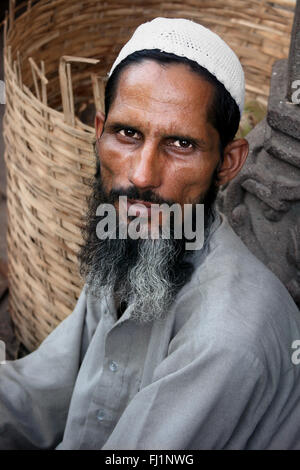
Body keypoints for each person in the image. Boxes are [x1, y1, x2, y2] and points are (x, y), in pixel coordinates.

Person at [1, 17, 300, 450]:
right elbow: (43, 390)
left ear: (229, 163)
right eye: (127, 133)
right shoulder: (133, 242)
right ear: (99, 131)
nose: (141, 175)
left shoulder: (227, 339)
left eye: (181, 145)